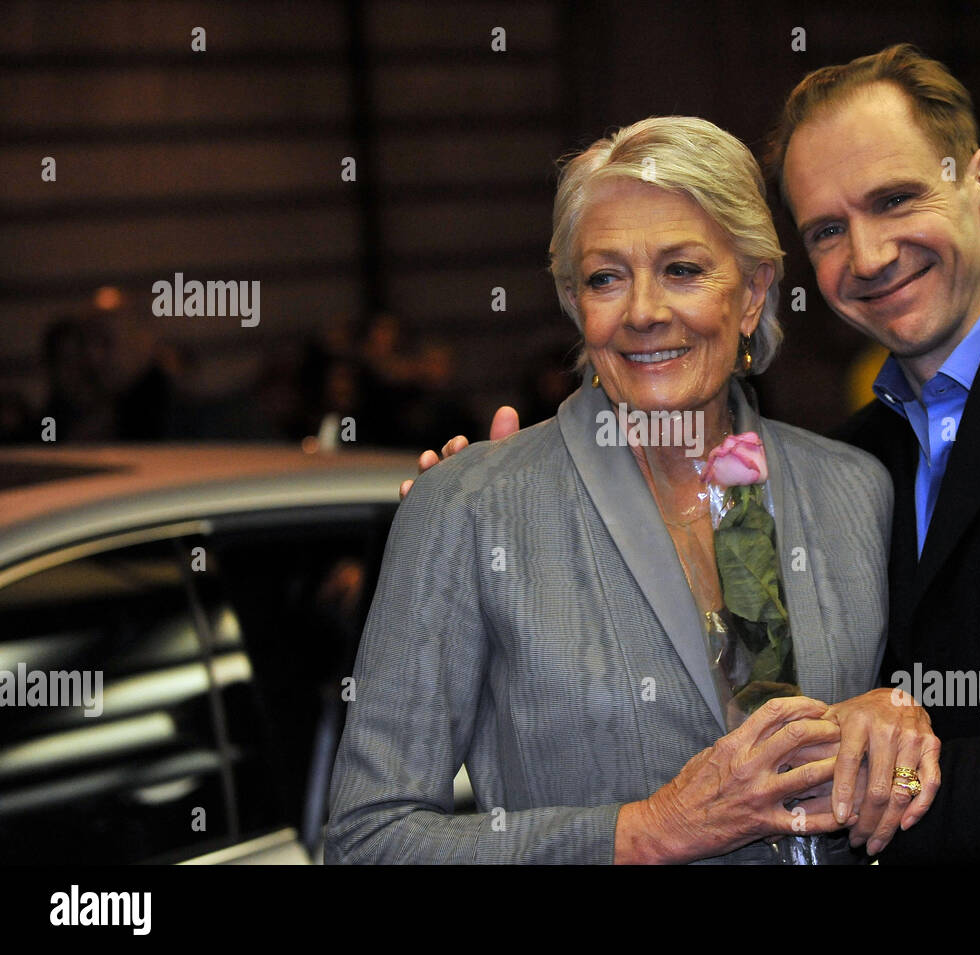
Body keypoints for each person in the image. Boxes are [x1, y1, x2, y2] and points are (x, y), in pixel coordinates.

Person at [424, 45, 980, 862]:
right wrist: (518, 514)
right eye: (828, 230)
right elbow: (755, 702)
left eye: (894, 200)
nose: (869, 255)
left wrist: (922, 781)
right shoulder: (853, 464)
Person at [326, 116, 937, 865]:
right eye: (606, 277)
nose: (644, 311)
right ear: (576, 304)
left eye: (682, 269)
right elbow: (368, 841)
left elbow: (901, 755)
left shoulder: (852, 489)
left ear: (751, 293)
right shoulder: (469, 508)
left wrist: (896, 724)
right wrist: (646, 830)